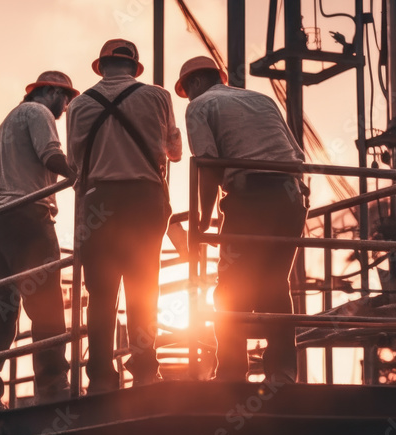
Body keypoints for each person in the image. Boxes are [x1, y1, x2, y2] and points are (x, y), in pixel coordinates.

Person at [177, 56, 308, 383]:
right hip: (291, 197)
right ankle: (283, 373)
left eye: (187, 91)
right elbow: (297, 155)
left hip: (251, 199)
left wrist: (202, 221)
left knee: (230, 289)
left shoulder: (200, 105)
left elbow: (208, 165)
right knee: (275, 284)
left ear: (194, 83)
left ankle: (232, 375)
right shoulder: (260, 99)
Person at [66, 39, 181, 393]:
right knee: (144, 286)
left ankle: (100, 377)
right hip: (144, 198)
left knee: (100, 292)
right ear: (134, 67)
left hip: (99, 199)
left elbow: (73, 164)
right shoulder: (158, 96)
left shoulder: (78, 104)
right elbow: (174, 152)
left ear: (101, 66)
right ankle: (145, 371)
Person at [0, 70, 77, 409]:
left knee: (4, 311)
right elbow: (51, 155)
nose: (66, 106)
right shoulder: (38, 113)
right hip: (26, 216)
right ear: (48, 91)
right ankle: (53, 388)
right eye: (64, 97)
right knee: (48, 305)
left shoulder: (7, 122)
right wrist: (82, 174)